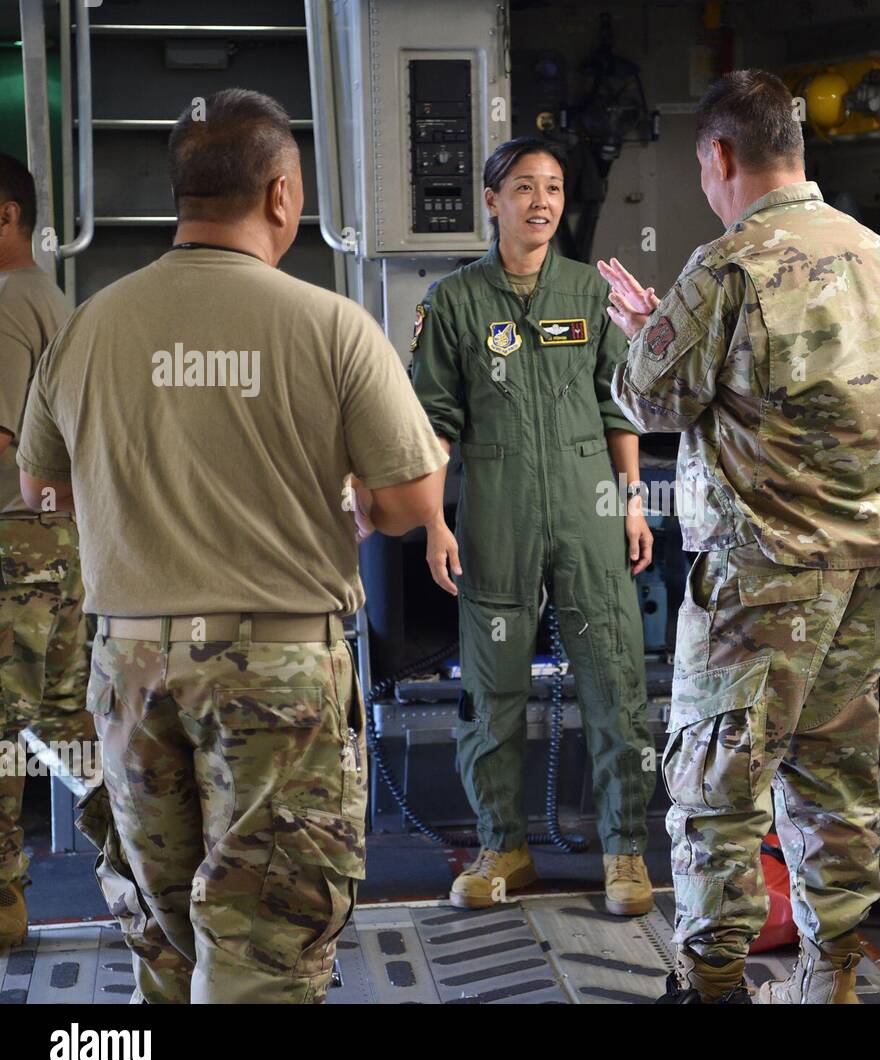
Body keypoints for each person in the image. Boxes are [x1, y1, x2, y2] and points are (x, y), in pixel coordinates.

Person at [16, 88, 446, 1002]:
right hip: (276, 671)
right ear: (282, 194)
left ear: (182, 191)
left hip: (128, 665)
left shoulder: (88, 325)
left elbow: (38, 485)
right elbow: (411, 503)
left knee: (163, 932)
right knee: (262, 941)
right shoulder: (329, 325)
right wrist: (363, 492)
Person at [603, 69, 880, 1003]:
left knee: (718, 785)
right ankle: (836, 974)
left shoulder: (727, 268)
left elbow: (649, 398)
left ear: (720, 156)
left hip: (760, 576)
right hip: (864, 566)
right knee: (839, 779)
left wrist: (648, 330)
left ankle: (713, 980)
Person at [410, 137, 655, 916]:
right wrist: (432, 523)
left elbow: (623, 404)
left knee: (615, 680)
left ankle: (624, 853)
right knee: (493, 692)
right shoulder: (454, 304)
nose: (541, 201)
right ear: (492, 201)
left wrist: (633, 500)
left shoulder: (589, 295)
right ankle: (503, 849)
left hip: (588, 514)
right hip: (497, 517)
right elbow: (433, 425)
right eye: (522, 187)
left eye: (552, 186)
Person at [0, 153, 93, 949]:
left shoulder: (6, 303)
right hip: (61, 542)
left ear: (7, 216)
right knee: (69, 723)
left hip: (11, 543)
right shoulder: (55, 301)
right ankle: (149, 854)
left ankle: (1, 900)